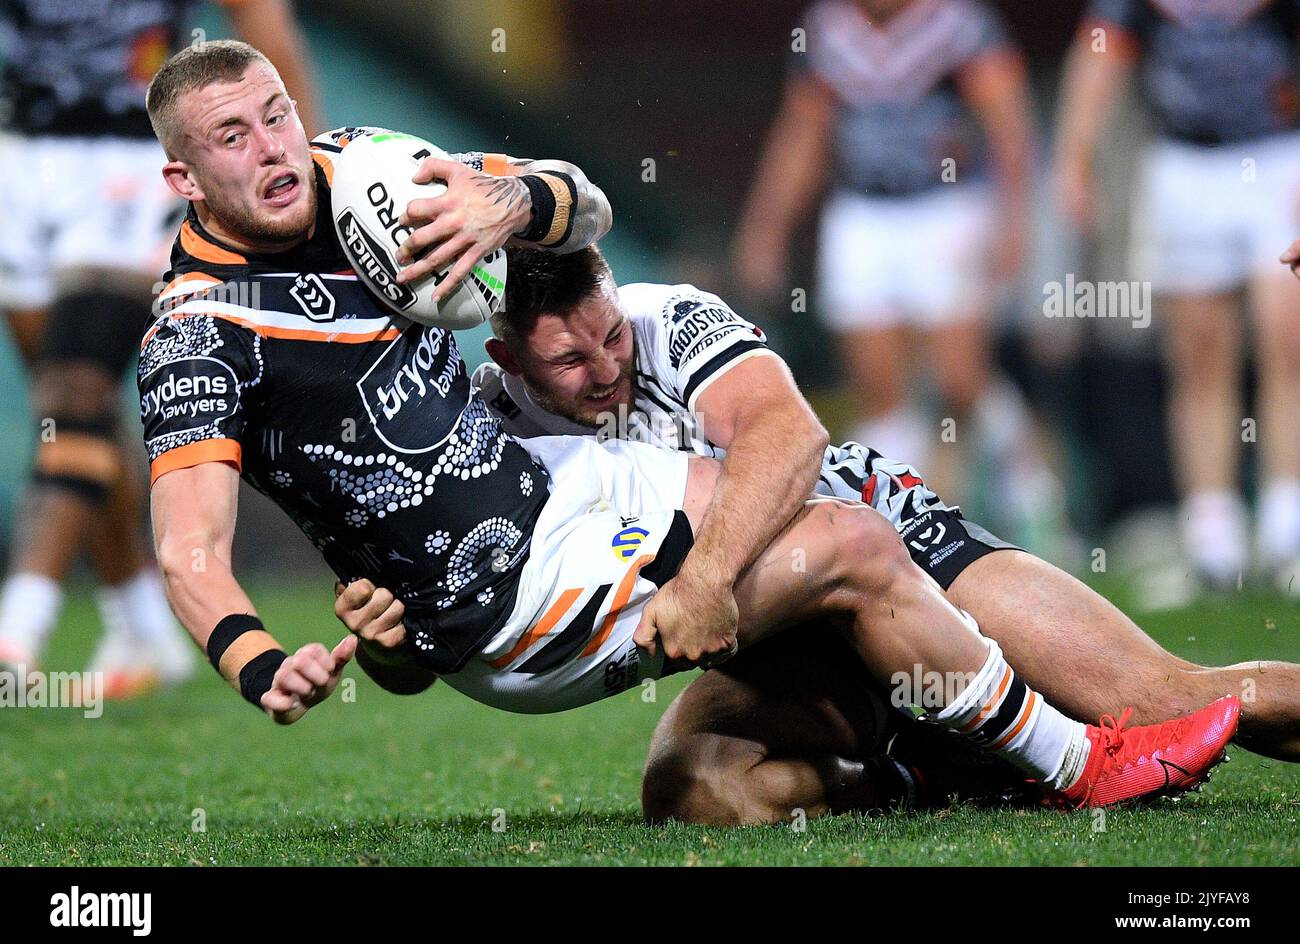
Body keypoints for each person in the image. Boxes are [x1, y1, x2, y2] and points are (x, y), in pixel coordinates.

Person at [142, 40, 1236, 818]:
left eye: (276, 111)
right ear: (184, 175)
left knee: (821, 511)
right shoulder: (196, 338)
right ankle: (1077, 761)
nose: (275, 147)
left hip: (549, 480)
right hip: (494, 602)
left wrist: (507, 203)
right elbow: (190, 549)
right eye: (234, 137)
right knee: (848, 549)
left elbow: (581, 205)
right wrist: (256, 658)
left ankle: (943, 734)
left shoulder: (359, 168)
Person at [340, 244, 1300, 823]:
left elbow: (788, 433)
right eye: (568, 359)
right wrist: (391, 646)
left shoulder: (668, 315)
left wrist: (708, 577)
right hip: (783, 622)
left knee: (1163, 697)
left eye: (611, 339)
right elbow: (448, 635)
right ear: (505, 358)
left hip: (891, 550)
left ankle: (1020, 738)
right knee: (695, 793)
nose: (605, 370)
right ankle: (927, 765)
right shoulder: (475, 439)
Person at [0, 0, 322, 697]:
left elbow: (261, 20)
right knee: (72, 418)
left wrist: (315, 171)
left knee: (74, 395)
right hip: (18, 158)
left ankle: (16, 632)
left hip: (129, 161)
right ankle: (142, 624)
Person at [732, 0, 1058, 545]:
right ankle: (910, 525)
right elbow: (804, 132)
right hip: (863, 214)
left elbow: (1009, 127)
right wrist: (767, 227)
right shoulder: (827, 30)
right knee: (880, 389)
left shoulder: (958, 25)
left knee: (960, 379)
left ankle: (1029, 483)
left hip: (946, 207)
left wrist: (1016, 225)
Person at [1056, 0, 1300, 593]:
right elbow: (1100, 52)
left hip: (1279, 158)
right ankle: (1212, 537)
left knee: (1286, 341)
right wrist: (1075, 157)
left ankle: (1286, 529)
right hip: (1184, 165)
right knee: (1200, 356)